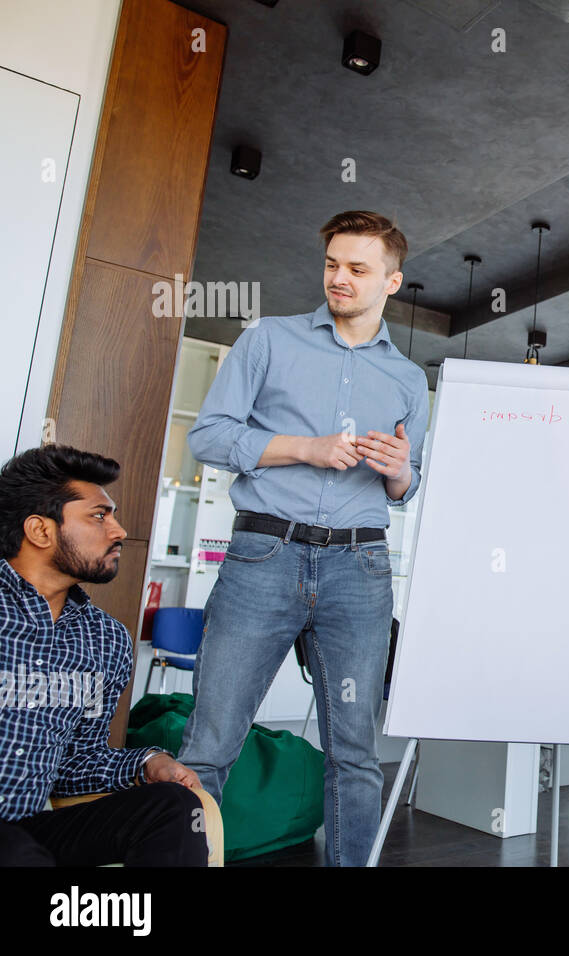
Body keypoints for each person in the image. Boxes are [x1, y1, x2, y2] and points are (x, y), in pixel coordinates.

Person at [178, 210, 430, 866]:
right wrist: (305, 449)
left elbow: (409, 485)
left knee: (355, 754)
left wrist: (401, 471)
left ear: (392, 280)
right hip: (265, 554)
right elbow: (206, 436)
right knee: (209, 744)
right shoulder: (268, 342)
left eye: (357, 269)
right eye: (331, 265)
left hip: (360, 567)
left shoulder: (407, 380)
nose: (338, 279)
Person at [0, 445, 207, 866]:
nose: (118, 530)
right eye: (99, 516)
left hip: (29, 827)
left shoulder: (105, 639)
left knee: (173, 808)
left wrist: (150, 763)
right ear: (40, 530)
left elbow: (77, 761)